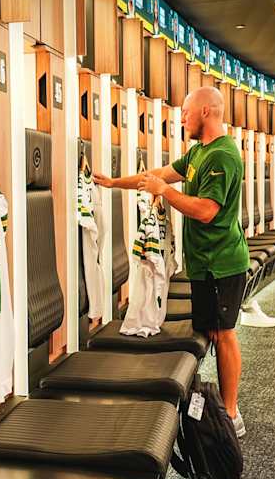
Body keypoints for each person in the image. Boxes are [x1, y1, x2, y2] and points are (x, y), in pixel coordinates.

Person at [92, 87, 250, 438]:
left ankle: (231, 413)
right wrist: (116, 183)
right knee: (213, 331)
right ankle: (226, 408)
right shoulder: (198, 152)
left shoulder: (223, 156)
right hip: (205, 264)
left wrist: (166, 193)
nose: (180, 119)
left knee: (224, 334)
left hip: (222, 263)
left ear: (207, 111)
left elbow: (207, 211)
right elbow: (158, 175)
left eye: (185, 112)